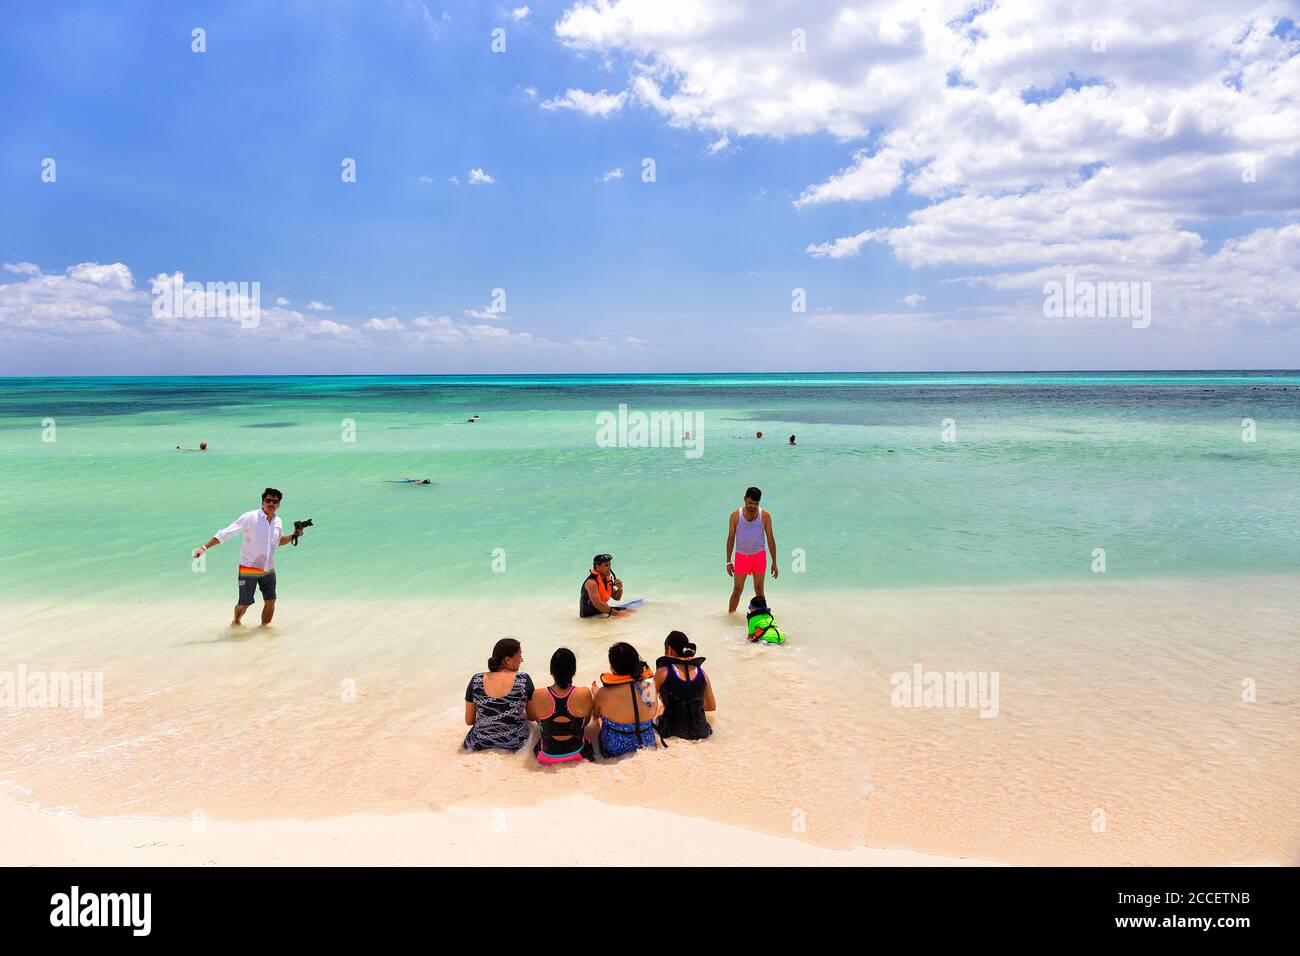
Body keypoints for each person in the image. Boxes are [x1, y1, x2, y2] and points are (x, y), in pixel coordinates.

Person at [192, 487, 304, 626]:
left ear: (278, 505)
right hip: (248, 568)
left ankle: (265, 630)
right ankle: (236, 621)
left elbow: (278, 542)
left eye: (274, 501)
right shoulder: (250, 517)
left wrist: (294, 535)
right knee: (244, 603)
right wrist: (204, 548)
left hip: (268, 568)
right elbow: (225, 533)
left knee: (271, 600)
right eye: (268, 500)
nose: (271, 504)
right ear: (262, 502)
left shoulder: (278, 521)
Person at [464, 638, 534, 752]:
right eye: (519, 655)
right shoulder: (523, 679)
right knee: (533, 728)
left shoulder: (476, 680)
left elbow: (469, 720)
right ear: (507, 659)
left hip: (478, 743)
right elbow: (531, 716)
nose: (521, 660)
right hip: (513, 744)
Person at [527, 648, 594, 765]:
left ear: (551, 671)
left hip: (546, 757)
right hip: (579, 754)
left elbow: (536, 720)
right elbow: (586, 722)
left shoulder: (538, 694)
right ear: (573, 671)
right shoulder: (584, 693)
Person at [591, 642, 658, 757]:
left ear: (613, 668)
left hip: (615, 749)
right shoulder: (648, 683)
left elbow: (595, 715)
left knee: (595, 723)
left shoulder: (603, 693)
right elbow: (653, 710)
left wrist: (596, 693)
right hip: (647, 742)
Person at [654, 631, 715, 741]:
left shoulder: (662, 672)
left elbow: (648, 706)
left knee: (658, 713)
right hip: (702, 732)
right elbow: (711, 706)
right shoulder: (702, 673)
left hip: (671, 733)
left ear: (669, 649)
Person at [726, 486, 777, 614]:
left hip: (759, 557)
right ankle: (730, 617)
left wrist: (774, 562)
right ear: (744, 499)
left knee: (759, 590)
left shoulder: (765, 516)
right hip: (741, 558)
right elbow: (731, 538)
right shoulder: (735, 516)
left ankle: (764, 618)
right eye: (750, 503)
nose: (752, 506)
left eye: (756, 504)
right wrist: (728, 561)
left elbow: (770, 539)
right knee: (737, 590)